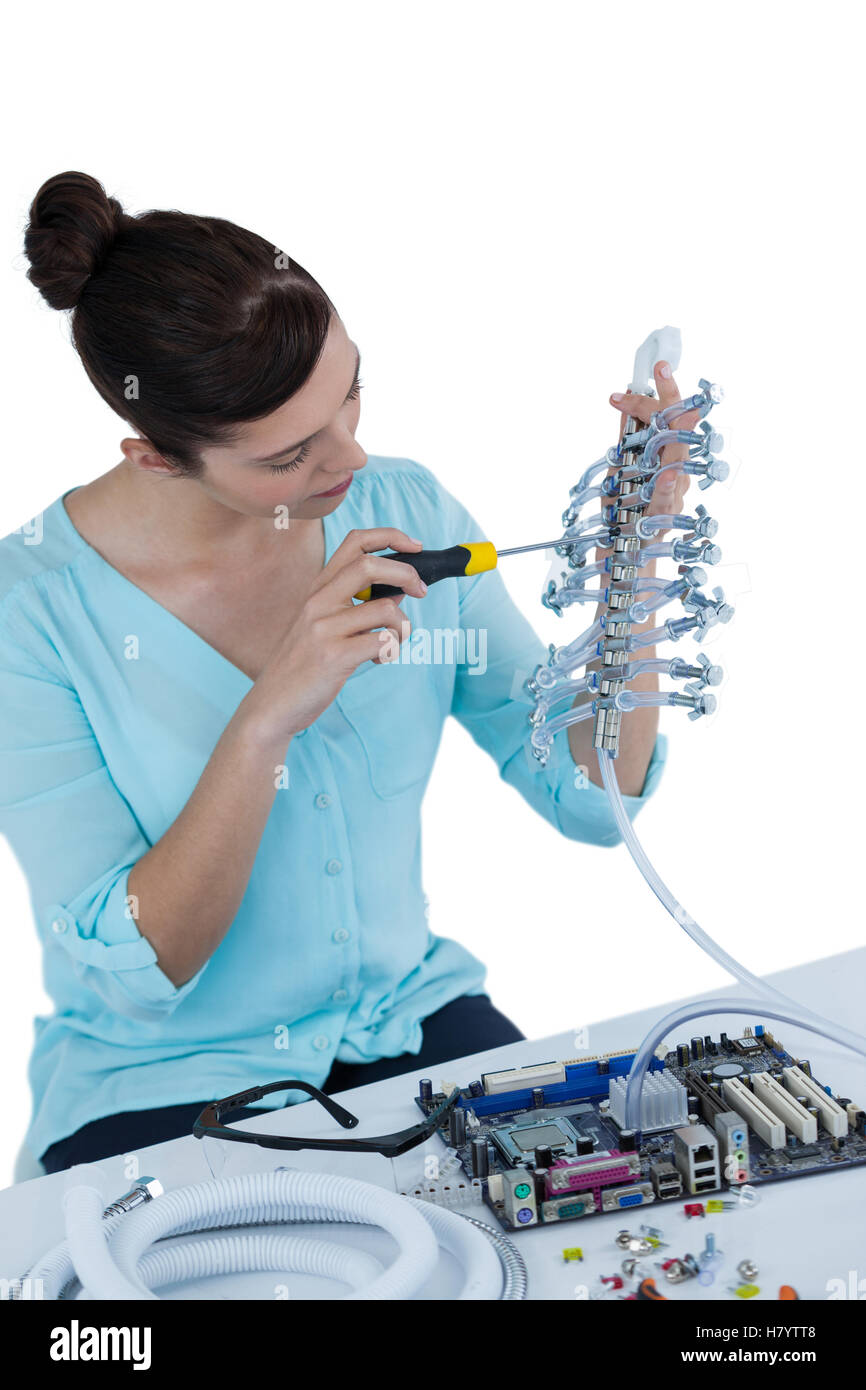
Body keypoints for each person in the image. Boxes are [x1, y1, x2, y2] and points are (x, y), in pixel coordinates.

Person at [1, 173, 686, 1174]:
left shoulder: (412, 515)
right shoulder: (30, 611)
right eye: (288, 456)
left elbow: (589, 797)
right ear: (154, 454)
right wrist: (267, 714)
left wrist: (631, 575)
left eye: (351, 389)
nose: (350, 458)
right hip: (154, 1079)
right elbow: (143, 973)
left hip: (412, 1025)